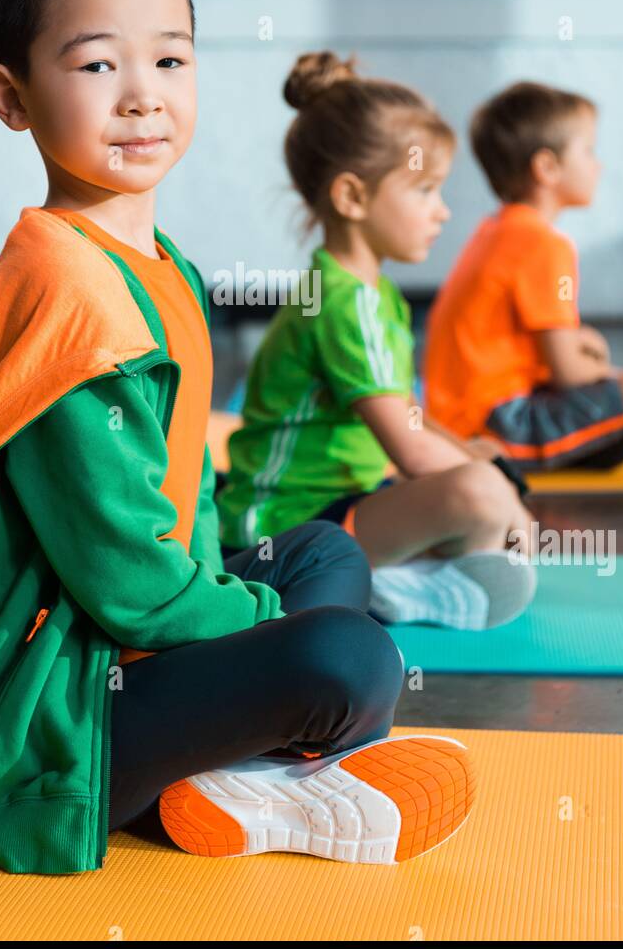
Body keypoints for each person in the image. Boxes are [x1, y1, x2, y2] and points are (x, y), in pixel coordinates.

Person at [0, 0, 473, 874]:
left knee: (320, 548)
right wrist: (271, 628)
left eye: (170, 62)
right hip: (50, 720)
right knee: (351, 659)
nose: (141, 98)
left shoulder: (167, 269)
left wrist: (250, 604)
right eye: (97, 65)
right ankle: (269, 769)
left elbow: (182, 503)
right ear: (11, 96)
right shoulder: (65, 298)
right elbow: (128, 586)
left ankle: (236, 774)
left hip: (143, 648)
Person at [216, 51, 536, 632]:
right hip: (284, 533)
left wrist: (479, 458)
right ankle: (385, 586)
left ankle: (384, 577)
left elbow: (406, 416)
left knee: (479, 468)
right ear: (352, 198)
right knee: (478, 496)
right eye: (425, 190)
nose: (442, 212)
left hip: (336, 507)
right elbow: (412, 453)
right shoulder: (346, 302)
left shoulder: (367, 291)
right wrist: (497, 492)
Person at [424, 81, 623, 473]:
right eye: (589, 151)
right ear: (547, 167)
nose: (598, 165)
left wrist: (585, 348)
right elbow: (568, 372)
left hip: (461, 417)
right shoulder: (544, 245)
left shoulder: (497, 230)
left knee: (597, 351)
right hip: (493, 426)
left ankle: (587, 441)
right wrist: (607, 373)